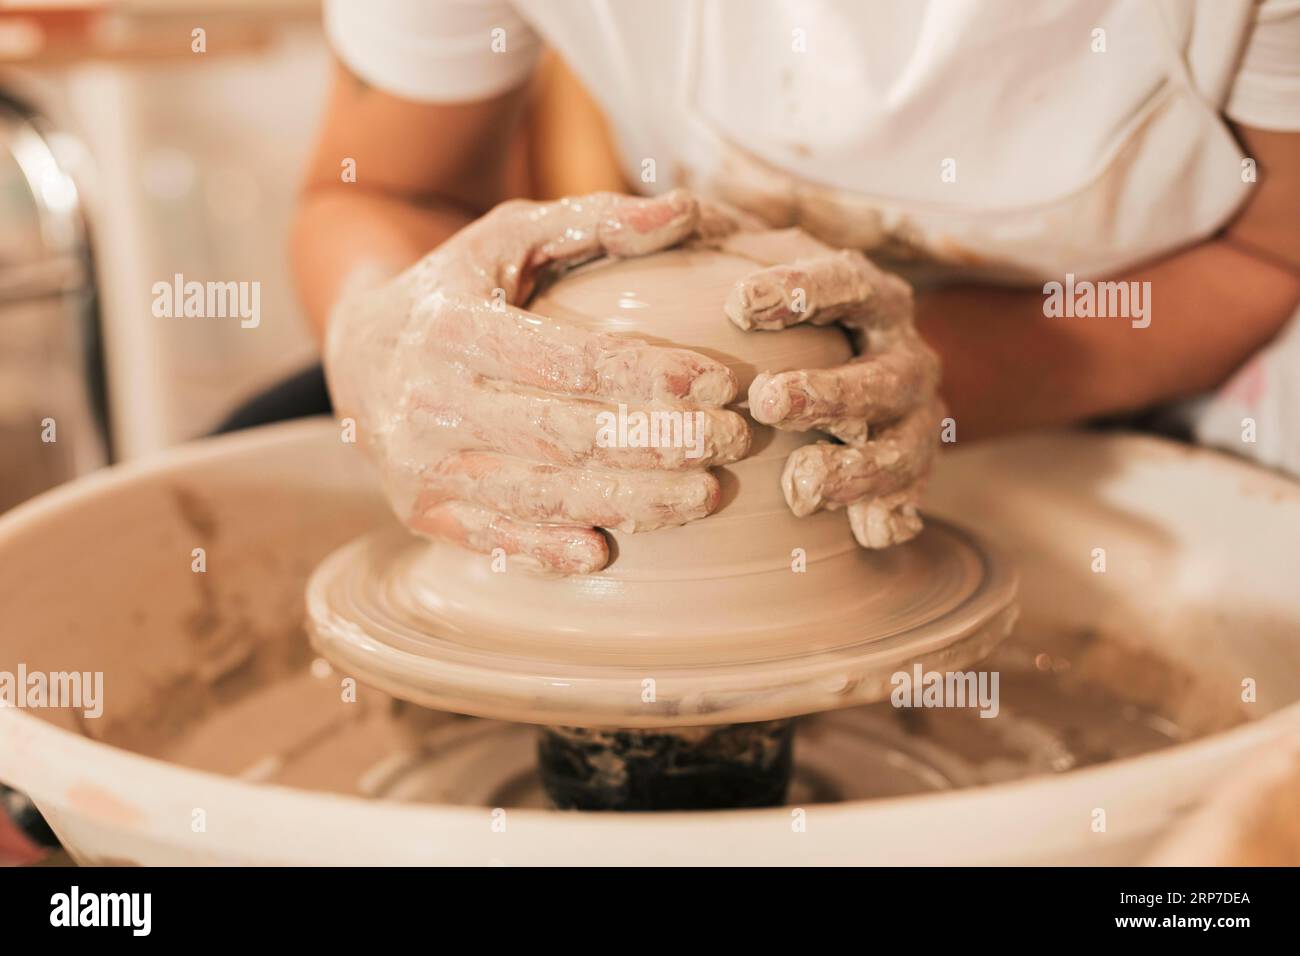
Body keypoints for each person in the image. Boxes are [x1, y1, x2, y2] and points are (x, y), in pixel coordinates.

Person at [290, 0, 1300, 574]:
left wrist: (929, 379)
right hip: (703, 390)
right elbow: (383, 188)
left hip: (1148, 375)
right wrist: (381, 329)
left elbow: (1274, 255)